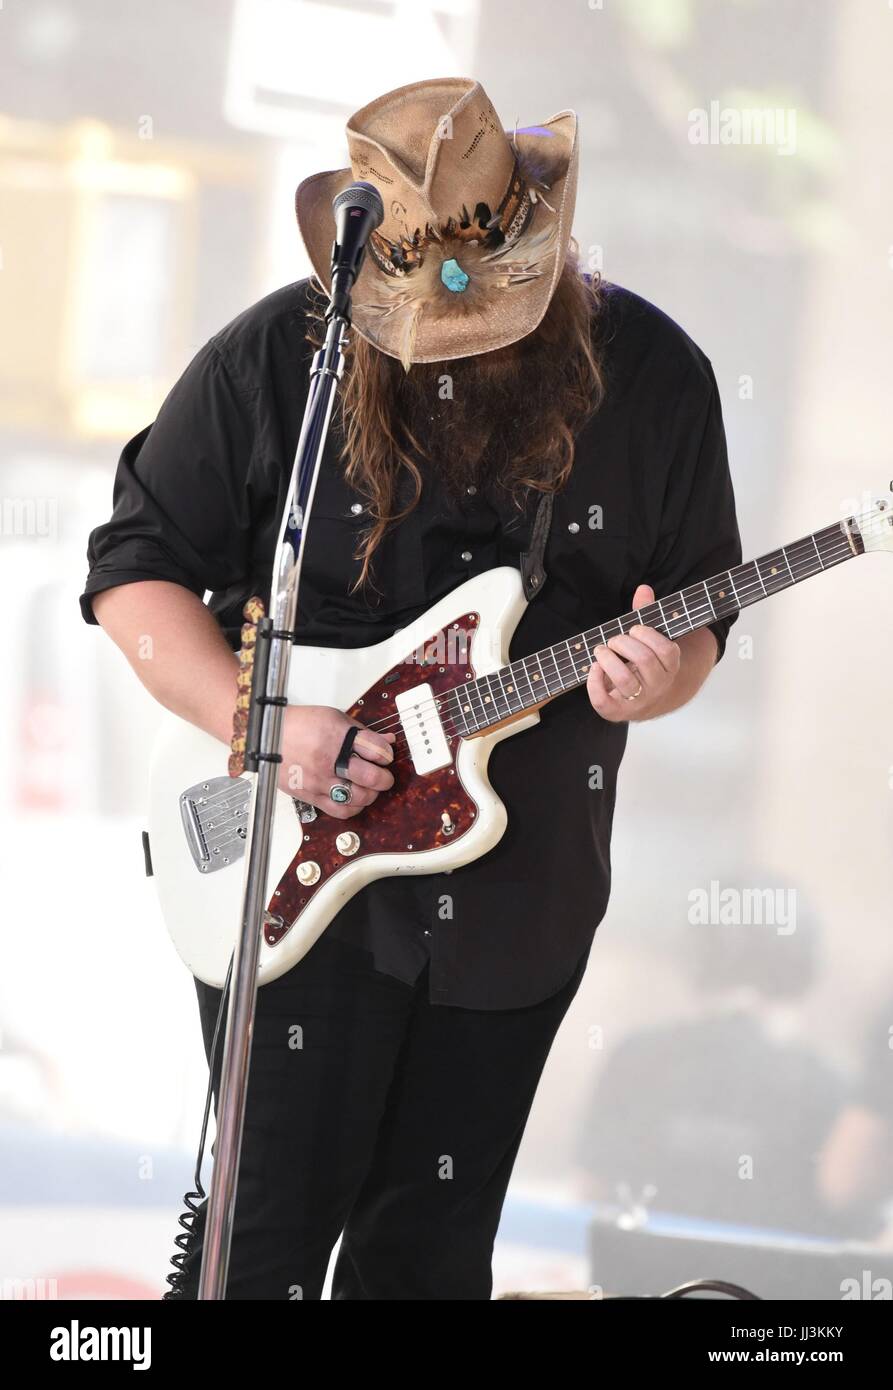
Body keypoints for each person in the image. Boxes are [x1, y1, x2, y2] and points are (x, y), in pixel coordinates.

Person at [80, 77, 741, 1299]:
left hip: (517, 889)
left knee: (427, 1262)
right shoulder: (283, 357)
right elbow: (132, 573)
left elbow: (697, 613)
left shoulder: (650, 376)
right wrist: (263, 726)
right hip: (292, 871)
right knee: (258, 1244)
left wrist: (660, 679)